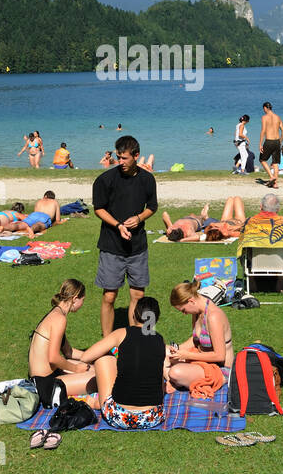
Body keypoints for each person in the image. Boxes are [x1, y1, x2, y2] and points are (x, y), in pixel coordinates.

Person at [92, 134, 157, 336]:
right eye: (118, 158)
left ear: (136, 156)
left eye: (125, 158)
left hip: (137, 247)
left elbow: (152, 207)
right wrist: (118, 225)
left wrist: (139, 218)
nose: (120, 162)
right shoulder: (105, 180)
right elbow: (99, 209)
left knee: (138, 295)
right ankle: (107, 341)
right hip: (112, 245)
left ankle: (135, 338)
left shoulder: (147, 179)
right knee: (109, 296)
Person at [73, 297, 166, 430]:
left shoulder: (122, 333)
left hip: (120, 416)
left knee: (102, 359)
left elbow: (86, 357)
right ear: (156, 319)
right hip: (153, 417)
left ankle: (94, 402)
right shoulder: (159, 340)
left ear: (133, 314)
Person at [28, 279, 96, 406]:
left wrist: (96, 356)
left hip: (47, 376)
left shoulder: (55, 312)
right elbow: (53, 358)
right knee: (99, 377)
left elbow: (69, 352)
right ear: (75, 298)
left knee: (97, 368)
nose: (83, 303)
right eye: (83, 300)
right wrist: (76, 368)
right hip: (47, 386)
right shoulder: (60, 319)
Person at [166, 280, 234, 390]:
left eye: (183, 310)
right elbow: (195, 339)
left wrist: (186, 355)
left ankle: (174, 381)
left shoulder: (213, 317)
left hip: (221, 369)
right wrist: (177, 349)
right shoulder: (197, 311)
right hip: (202, 359)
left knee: (175, 372)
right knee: (162, 352)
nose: (184, 314)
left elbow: (219, 356)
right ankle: (175, 382)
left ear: (191, 301)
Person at [160, 197, 246, 241]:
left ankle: (205, 216)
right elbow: (243, 230)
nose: (214, 227)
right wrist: (236, 226)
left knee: (230, 199)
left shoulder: (212, 228)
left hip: (224, 220)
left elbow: (205, 232)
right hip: (238, 220)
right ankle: (205, 216)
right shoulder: (227, 232)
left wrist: (211, 226)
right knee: (236, 198)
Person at [259, 101, 283, 188]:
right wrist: (280, 141)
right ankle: (275, 183)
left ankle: (272, 177)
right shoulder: (278, 117)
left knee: (262, 160)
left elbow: (263, 131)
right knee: (275, 163)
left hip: (269, 141)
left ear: (265, 108)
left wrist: (260, 144)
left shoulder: (264, 117)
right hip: (277, 142)